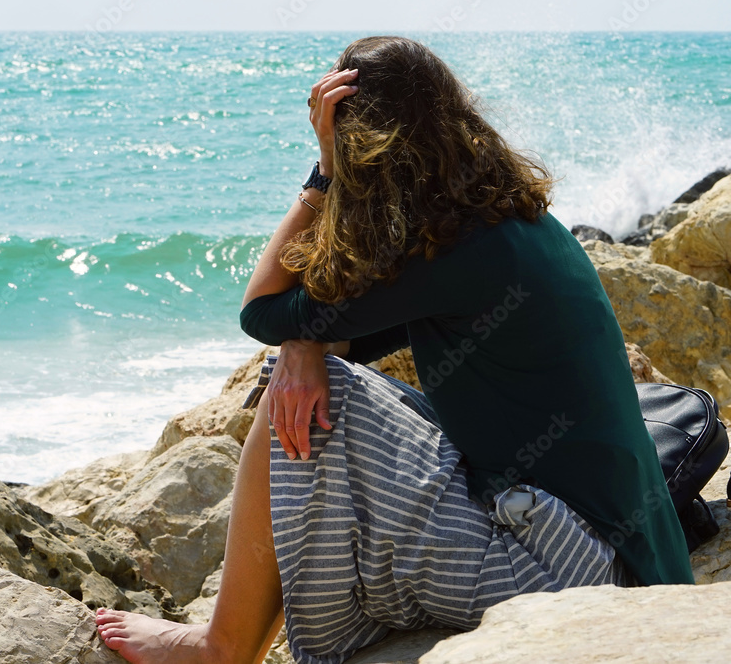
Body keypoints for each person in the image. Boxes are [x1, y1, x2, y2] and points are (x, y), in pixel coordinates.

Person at [95, 36, 693, 664]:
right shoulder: (505, 221)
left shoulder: (453, 253)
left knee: (303, 402)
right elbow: (332, 331)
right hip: (614, 551)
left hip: (573, 571)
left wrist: (321, 174)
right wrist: (306, 347)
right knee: (308, 376)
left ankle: (224, 646)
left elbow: (262, 310)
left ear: (369, 147)